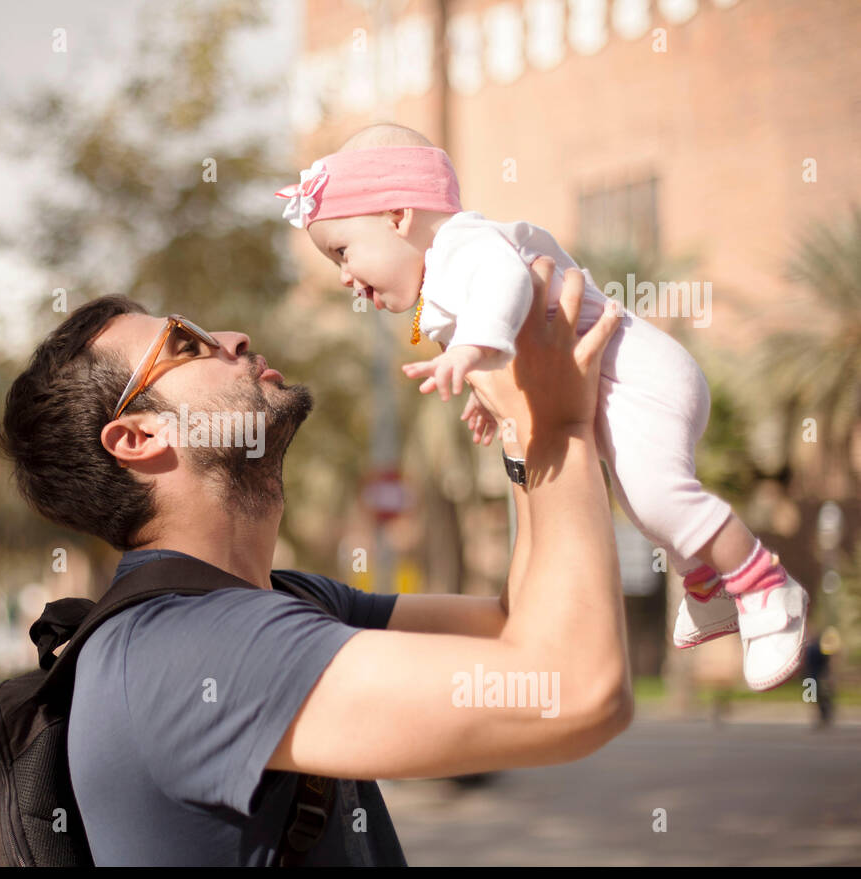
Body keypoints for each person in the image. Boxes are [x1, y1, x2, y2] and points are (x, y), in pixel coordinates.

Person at [0, 257, 629, 865]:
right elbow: (577, 692)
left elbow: (521, 626)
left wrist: (521, 432)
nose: (234, 338)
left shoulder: (286, 600)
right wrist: (560, 427)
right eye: (185, 345)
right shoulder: (185, 648)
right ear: (138, 438)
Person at [276, 121, 807, 692]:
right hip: (618, 386)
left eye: (342, 252)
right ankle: (707, 590)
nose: (345, 278)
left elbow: (508, 283)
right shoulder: (443, 278)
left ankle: (767, 587)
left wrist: (477, 349)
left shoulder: (464, 245)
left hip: (639, 375)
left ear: (398, 217)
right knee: (640, 499)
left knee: (657, 499)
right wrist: (486, 389)